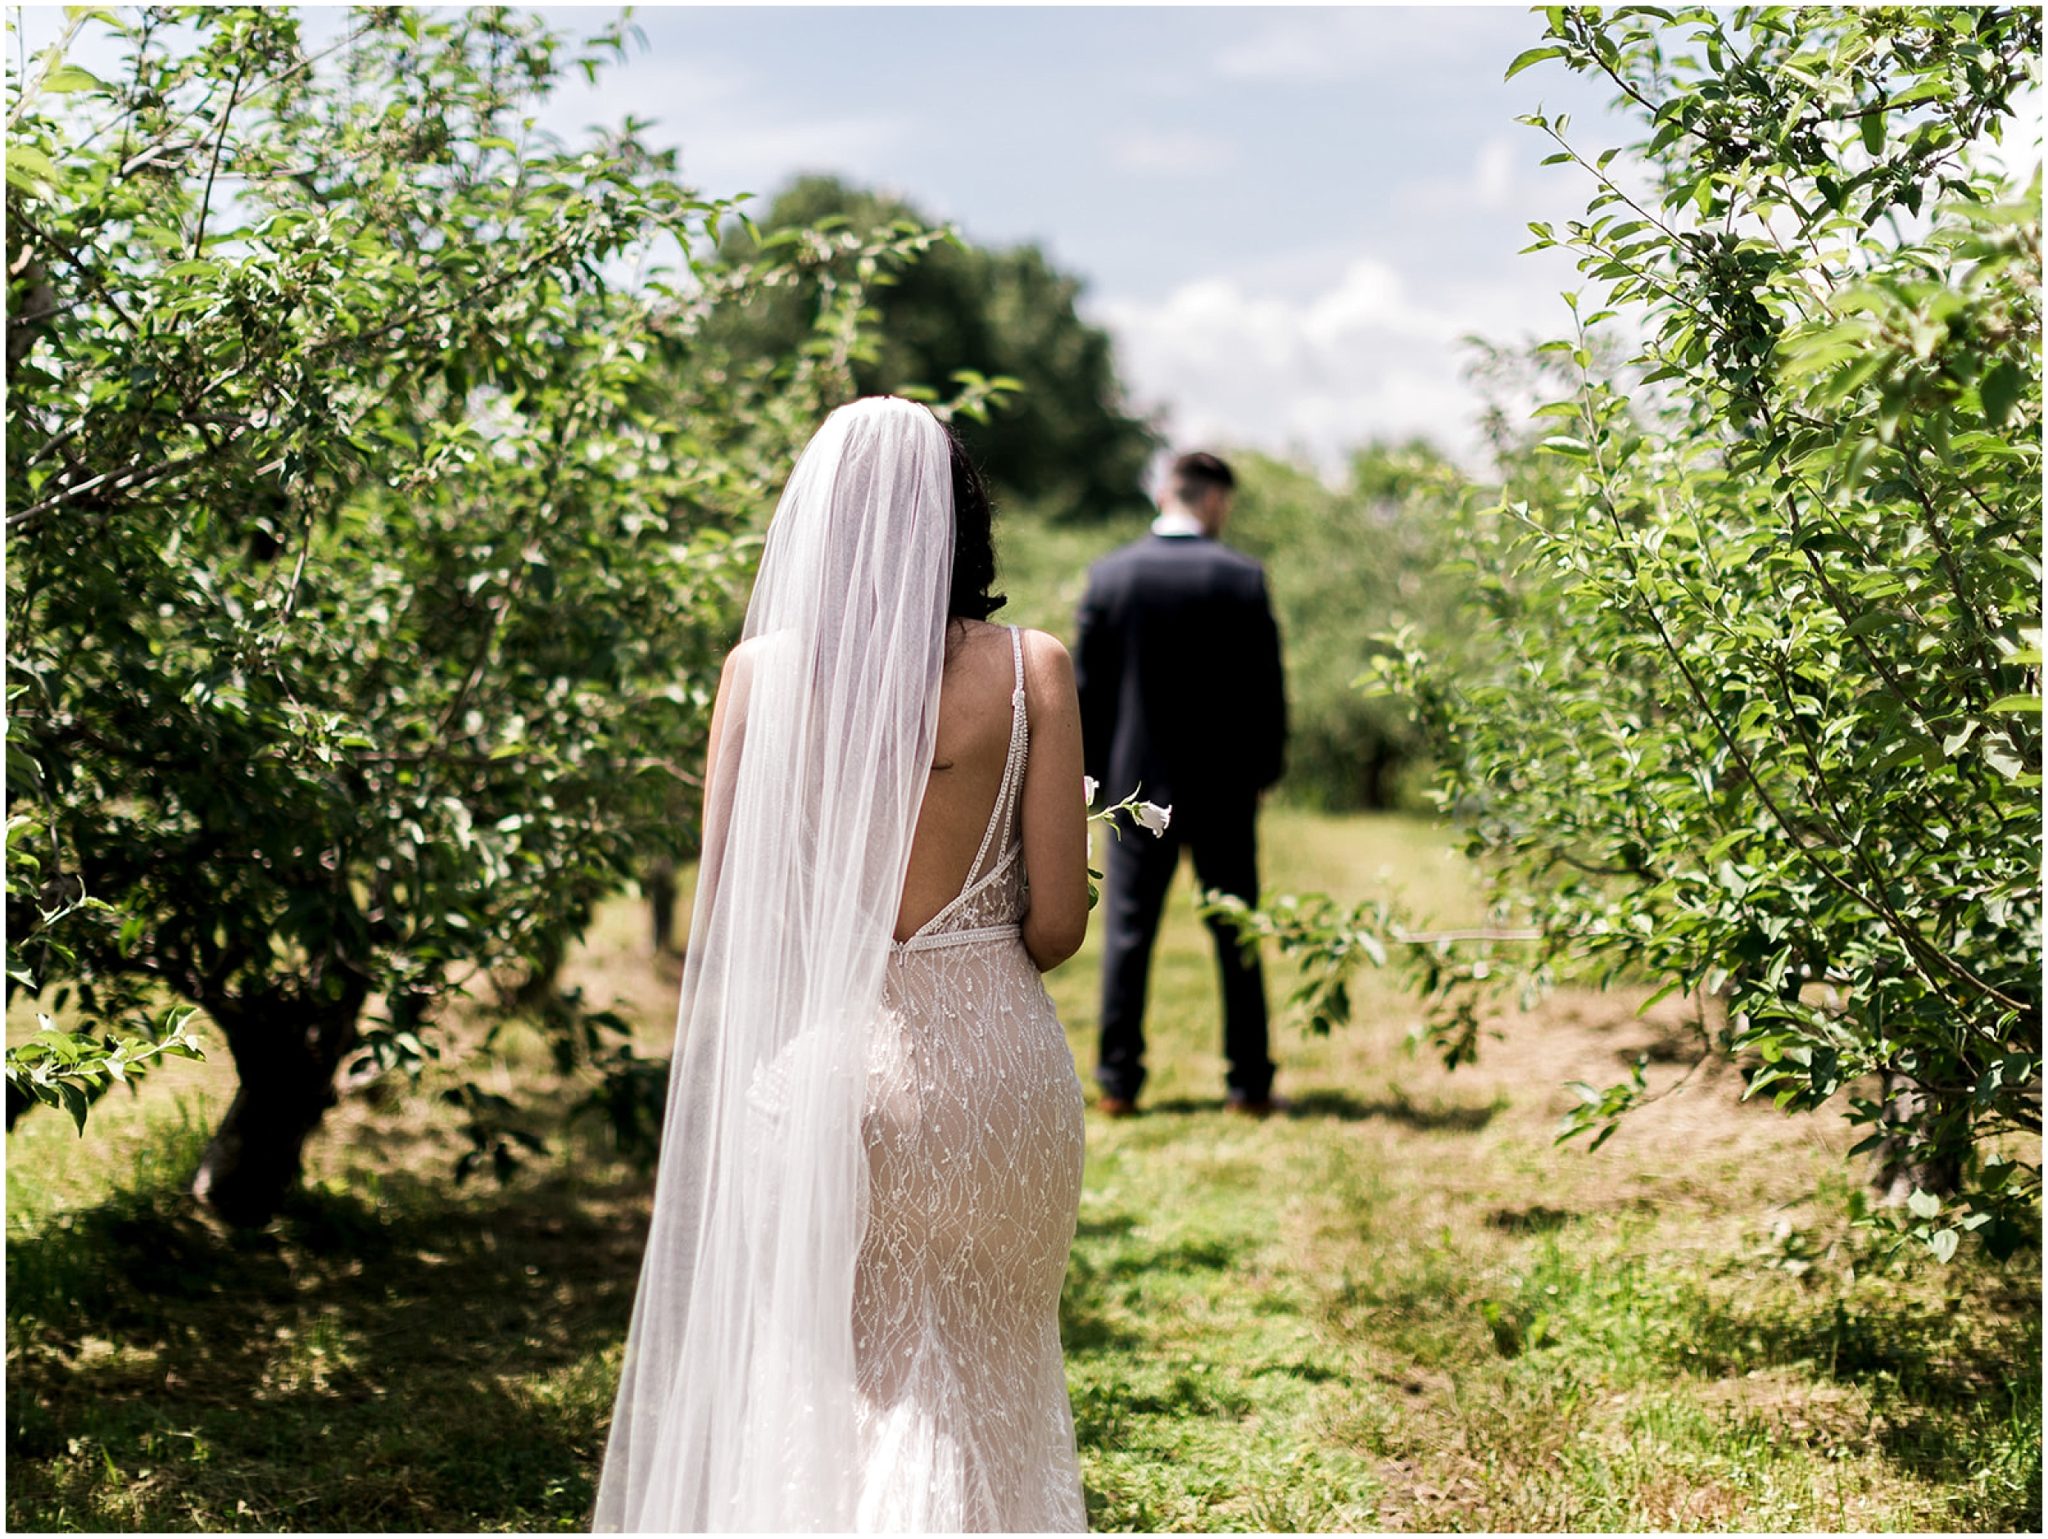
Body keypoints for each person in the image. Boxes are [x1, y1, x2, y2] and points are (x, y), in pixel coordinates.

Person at [595, 398, 1093, 1532]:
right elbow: (1058, 927)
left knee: (833, 1386)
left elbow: (733, 914)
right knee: (987, 1377)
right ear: (961, 516)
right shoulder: (1033, 670)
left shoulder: (758, 675)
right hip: (993, 1077)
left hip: (825, 1070)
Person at [1074, 450, 1287, 1117]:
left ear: (1165, 494)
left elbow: (1086, 693)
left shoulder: (1111, 576)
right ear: (1215, 500)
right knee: (1236, 931)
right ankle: (1249, 1083)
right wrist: (1266, 769)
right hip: (1225, 788)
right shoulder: (1242, 577)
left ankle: (1118, 1082)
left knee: (1127, 934)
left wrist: (1093, 780)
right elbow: (1266, 687)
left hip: (1135, 789)